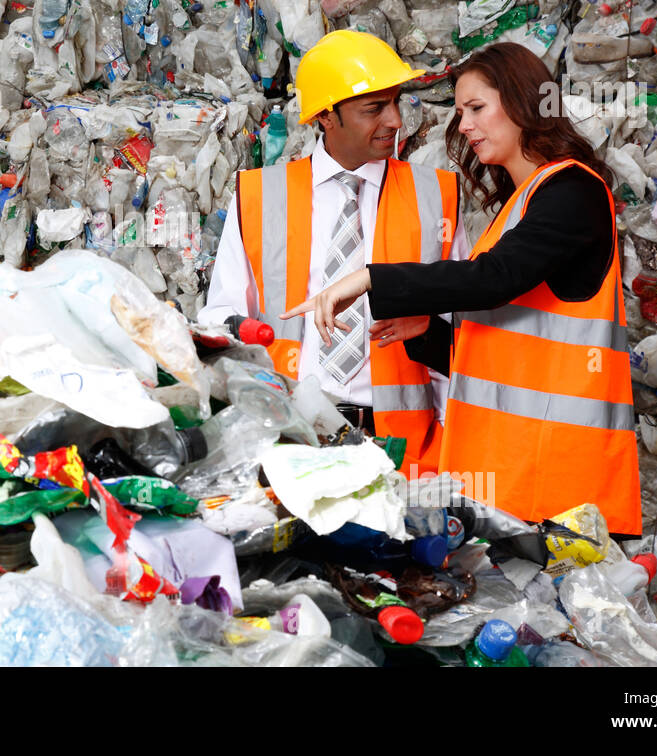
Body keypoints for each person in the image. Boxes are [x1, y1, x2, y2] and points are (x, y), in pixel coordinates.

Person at [281, 42, 642, 535]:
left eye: (476, 108)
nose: (465, 125)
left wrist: (371, 277)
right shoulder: (519, 208)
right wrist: (426, 332)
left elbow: (493, 281)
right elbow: (500, 353)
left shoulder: (572, 193)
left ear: (521, 102)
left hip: (563, 489)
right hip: (513, 482)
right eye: (460, 112)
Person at [199, 30, 468, 470]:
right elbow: (223, 320)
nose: (396, 120)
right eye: (374, 108)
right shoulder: (260, 196)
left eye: (396, 102)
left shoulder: (436, 196)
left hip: (409, 450)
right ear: (326, 116)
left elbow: (457, 330)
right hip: (290, 436)